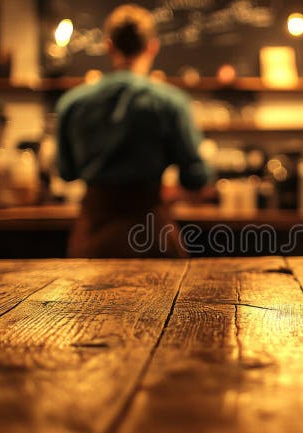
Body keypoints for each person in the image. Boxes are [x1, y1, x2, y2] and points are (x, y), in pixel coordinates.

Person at [56, 4, 209, 258]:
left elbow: (66, 172)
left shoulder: (72, 103)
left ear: (108, 45)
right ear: (152, 46)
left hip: (93, 237)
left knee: (87, 299)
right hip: (150, 235)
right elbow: (196, 177)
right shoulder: (170, 102)